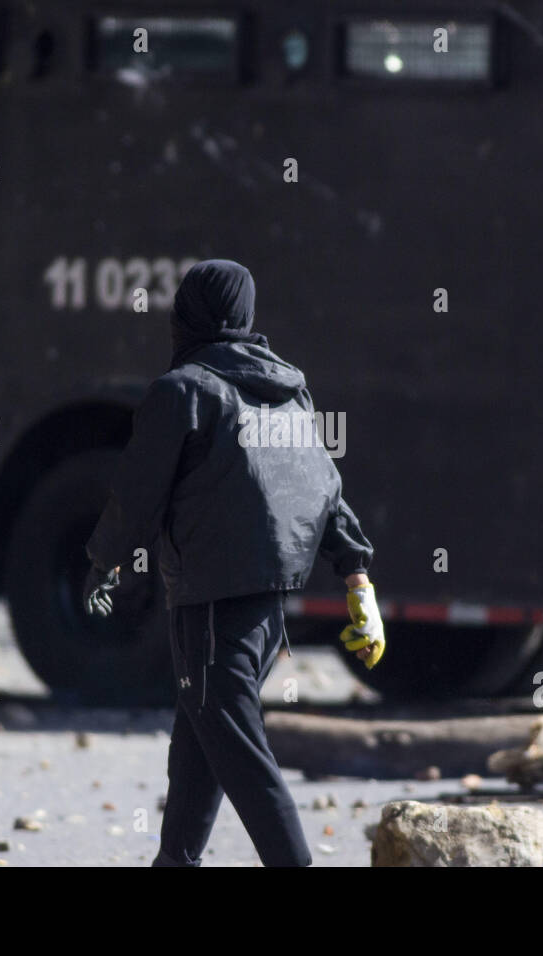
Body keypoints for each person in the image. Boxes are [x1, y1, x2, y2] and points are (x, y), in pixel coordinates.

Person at [83, 259, 385, 867]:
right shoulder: (287, 389)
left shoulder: (184, 391)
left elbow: (137, 494)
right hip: (268, 608)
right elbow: (325, 487)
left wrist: (103, 562)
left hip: (211, 608)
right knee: (199, 747)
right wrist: (358, 579)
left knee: (240, 754)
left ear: (188, 315)